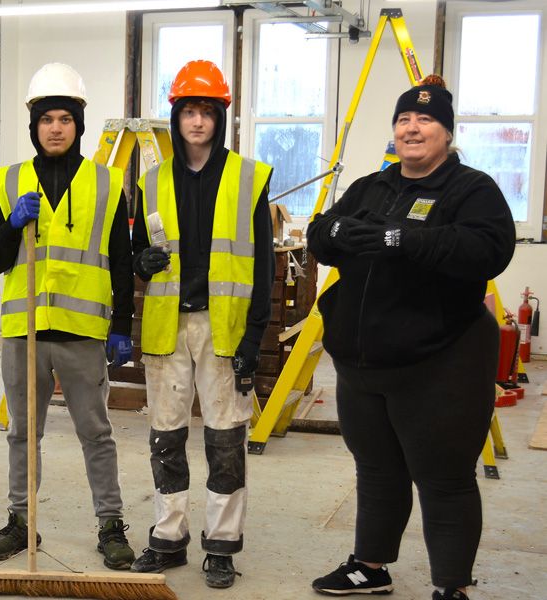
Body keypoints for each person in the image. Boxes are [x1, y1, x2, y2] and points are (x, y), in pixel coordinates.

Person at [306, 75, 516, 600]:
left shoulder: (471, 189)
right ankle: (370, 567)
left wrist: (401, 239)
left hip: (439, 363)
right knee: (377, 470)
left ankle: (451, 587)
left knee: (444, 477)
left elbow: (488, 249)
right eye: (403, 119)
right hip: (364, 364)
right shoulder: (372, 187)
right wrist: (338, 231)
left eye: (425, 119)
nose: (412, 128)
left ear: (447, 132)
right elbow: (320, 234)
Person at [0, 62, 136, 570]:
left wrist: (121, 326)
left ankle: (110, 524)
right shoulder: (9, 181)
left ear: (78, 124)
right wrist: (11, 223)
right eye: (46, 119)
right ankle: (20, 520)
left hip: (82, 333)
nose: (55, 128)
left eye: (65, 119)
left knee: (96, 432)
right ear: (34, 125)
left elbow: (122, 260)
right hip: (23, 331)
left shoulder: (108, 183)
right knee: (23, 434)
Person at [129, 60, 274, 589]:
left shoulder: (248, 178)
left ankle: (221, 545)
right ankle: (168, 538)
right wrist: (142, 261)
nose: (196, 121)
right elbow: (138, 252)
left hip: (224, 327)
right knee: (166, 438)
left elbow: (264, 265)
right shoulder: (151, 181)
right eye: (188, 111)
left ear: (220, 118)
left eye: (206, 112)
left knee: (225, 439)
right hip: (168, 325)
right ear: (176, 117)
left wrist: (255, 335)